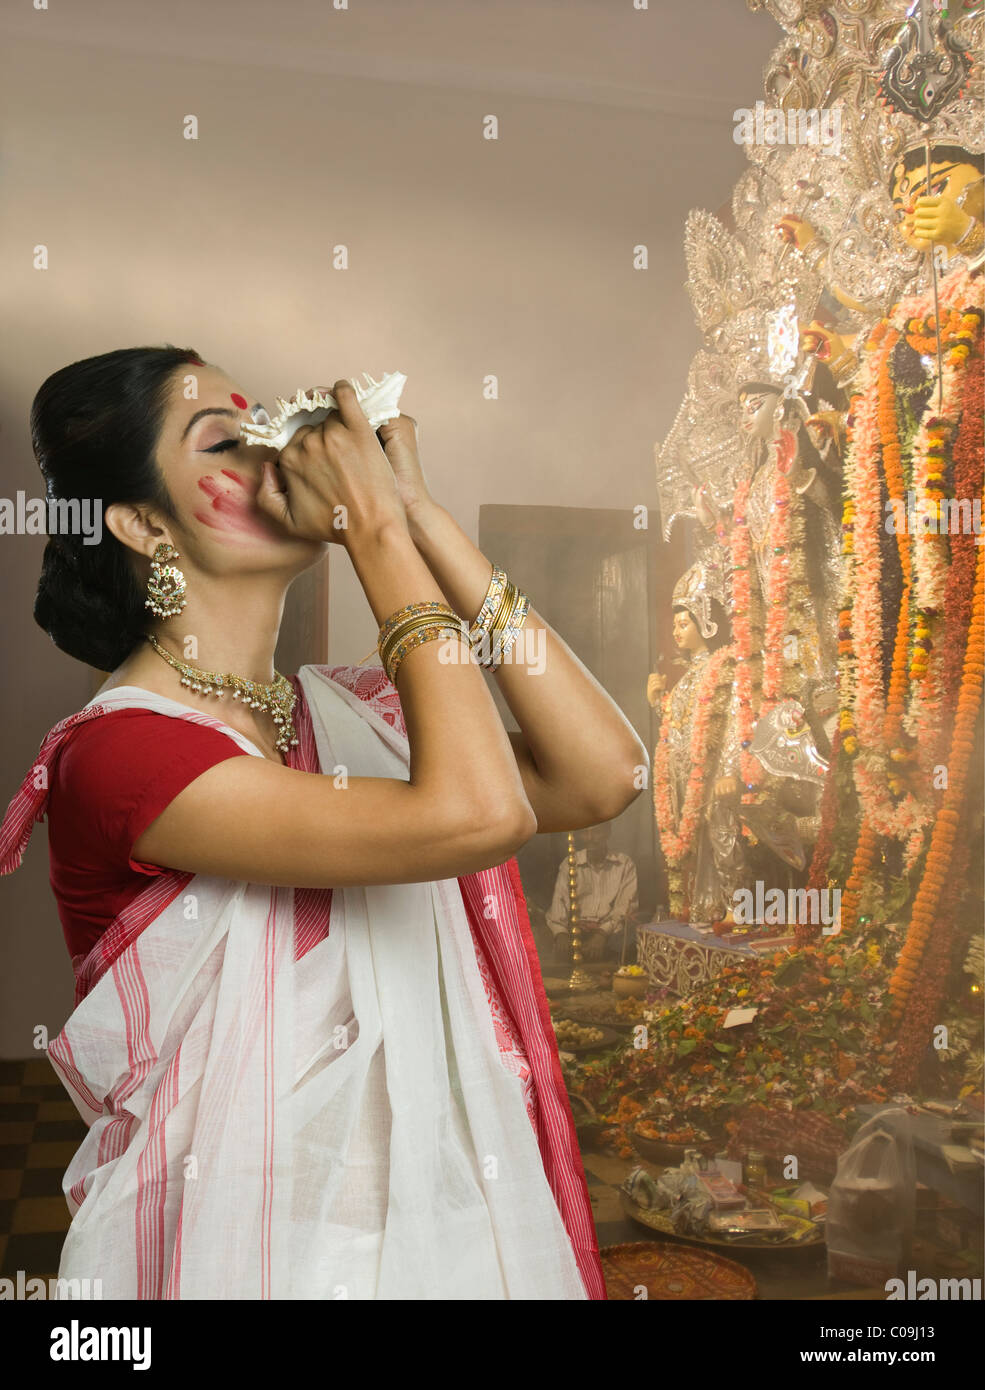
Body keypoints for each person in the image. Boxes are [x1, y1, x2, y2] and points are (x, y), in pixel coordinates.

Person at [0, 345, 650, 1300]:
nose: (279, 448)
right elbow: (476, 814)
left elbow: (602, 774)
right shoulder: (122, 753)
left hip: (439, 1227)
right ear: (144, 522)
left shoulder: (346, 709)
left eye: (265, 420)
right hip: (250, 1250)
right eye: (225, 440)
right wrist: (378, 531)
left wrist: (420, 517)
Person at [544, 822, 640, 965]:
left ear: (608, 832)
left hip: (610, 933)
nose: (590, 838)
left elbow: (624, 907)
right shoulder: (570, 863)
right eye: (585, 832)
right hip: (575, 930)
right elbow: (559, 902)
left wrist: (601, 934)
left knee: (631, 939)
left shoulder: (624, 864)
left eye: (596, 832)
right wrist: (561, 934)